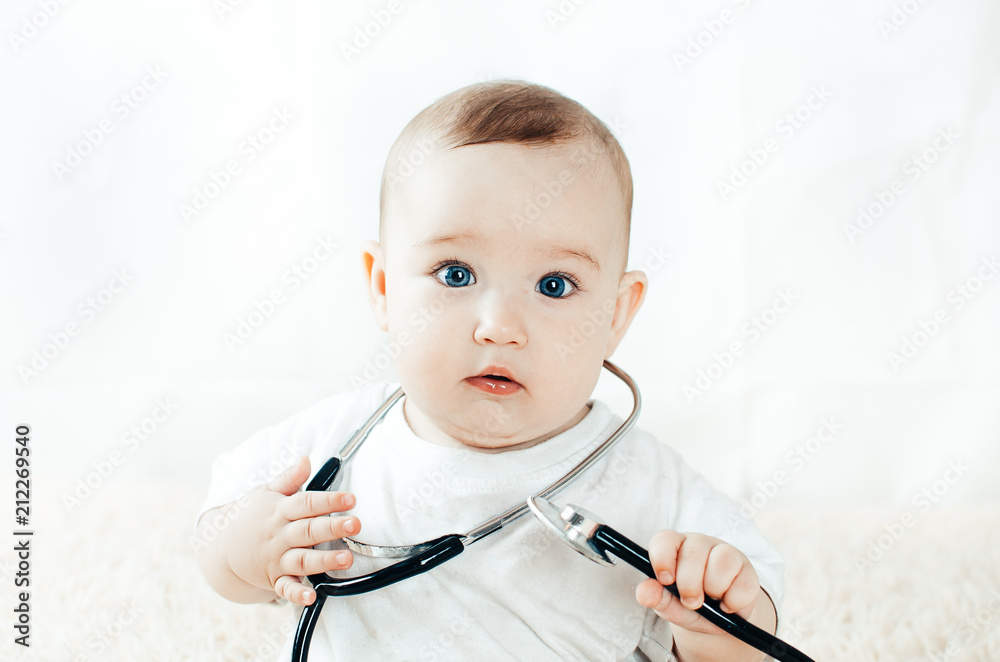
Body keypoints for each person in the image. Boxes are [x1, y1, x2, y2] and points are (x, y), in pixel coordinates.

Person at [194, 80, 784, 661]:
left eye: (555, 285)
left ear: (615, 315)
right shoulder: (335, 443)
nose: (499, 326)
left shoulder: (650, 483)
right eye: (455, 274)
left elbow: (755, 626)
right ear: (382, 286)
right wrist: (246, 552)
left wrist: (721, 625)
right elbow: (217, 542)